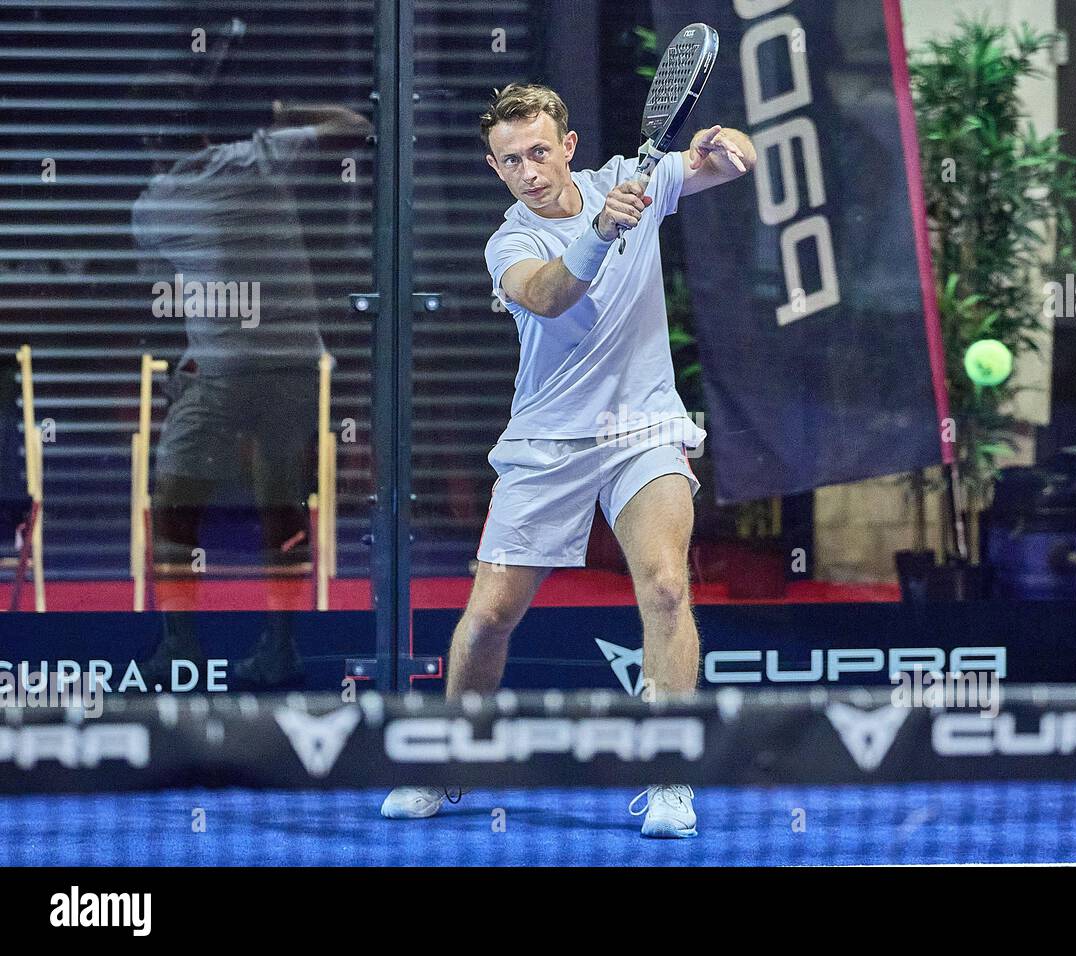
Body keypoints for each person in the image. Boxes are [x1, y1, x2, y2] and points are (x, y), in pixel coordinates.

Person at [381, 83, 755, 837]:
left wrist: (729, 149)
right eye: (511, 160)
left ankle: (669, 778)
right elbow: (550, 296)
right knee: (488, 618)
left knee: (667, 586)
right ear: (497, 169)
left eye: (540, 151)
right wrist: (599, 228)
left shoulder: (634, 179)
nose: (529, 170)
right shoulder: (509, 243)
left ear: (569, 147)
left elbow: (723, 164)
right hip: (547, 440)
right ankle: (454, 762)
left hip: (641, 427)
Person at [131, 86, 371, 690]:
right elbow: (350, 123)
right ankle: (186, 644)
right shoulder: (249, 160)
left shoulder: (244, 161)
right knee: (204, 507)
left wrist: (275, 120)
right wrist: (282, 111)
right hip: (222, 373)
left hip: (278, 372)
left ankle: (269, 648)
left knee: (259, 511)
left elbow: (356, 126)